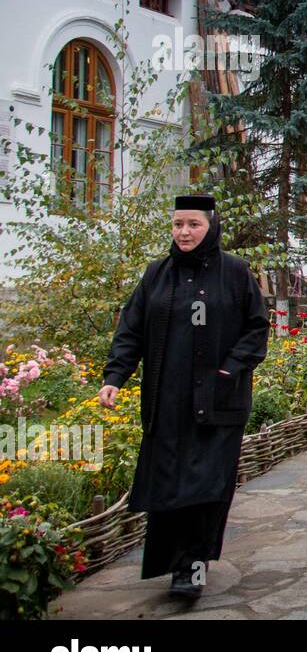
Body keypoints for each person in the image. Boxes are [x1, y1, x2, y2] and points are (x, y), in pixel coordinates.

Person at [97, 194, 269, 599]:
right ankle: (172, 562)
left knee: (206, 485)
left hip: (218, 401)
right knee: (170, 482)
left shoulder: (235, 272)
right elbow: (131, 330)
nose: (184, 232)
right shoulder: (157, 274)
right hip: (168, 401)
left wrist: (230, 368)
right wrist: (115, 376)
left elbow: (256, 328)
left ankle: (191, 568)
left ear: (211, 226)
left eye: (193, 224)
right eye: (178, 225)